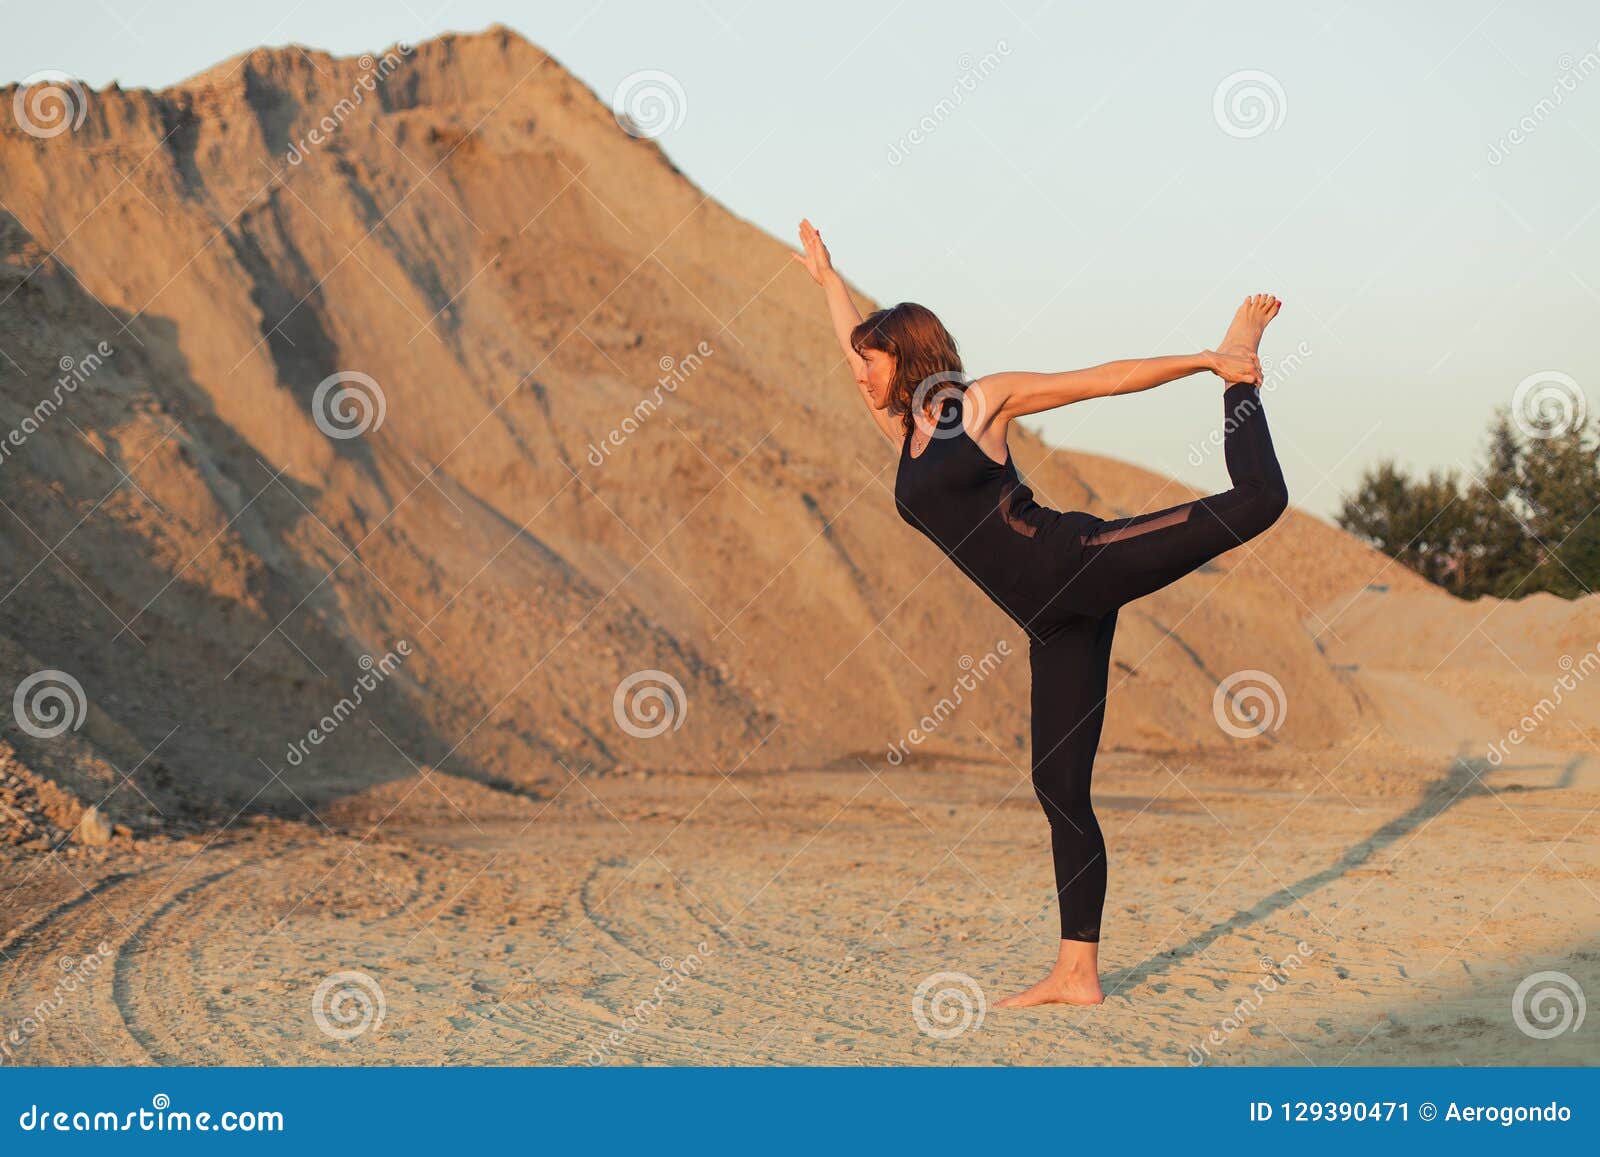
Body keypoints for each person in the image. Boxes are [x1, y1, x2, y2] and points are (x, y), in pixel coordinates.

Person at [792, 218, 1288, 1007]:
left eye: (870, 359)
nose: (857, 373)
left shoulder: (983, 402)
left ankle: (1240, 381)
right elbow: (848, 345)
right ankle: (1077, 971)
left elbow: (1105, 378)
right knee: (1058, 785)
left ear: (908, 355)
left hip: (1080, 559)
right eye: (857, 360)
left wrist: (1209, 361)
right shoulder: (903, 435)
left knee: (1260, 500)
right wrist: (827, 279)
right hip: (1052, 621)